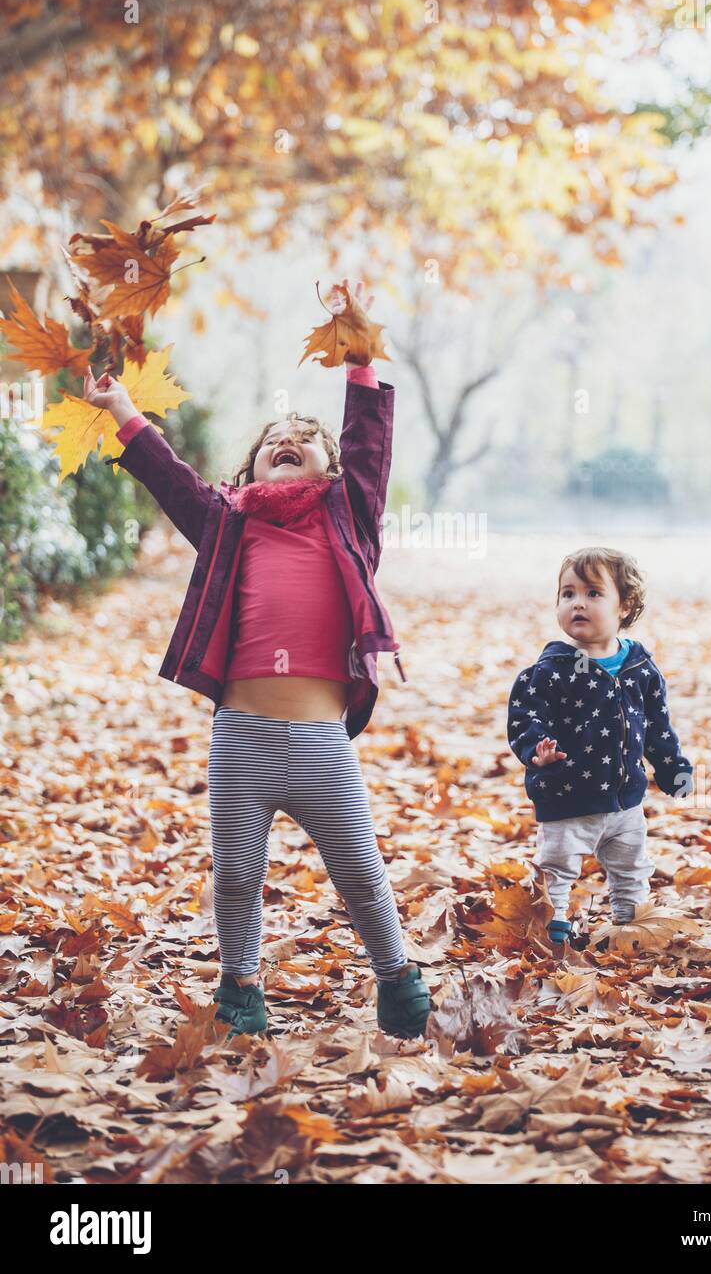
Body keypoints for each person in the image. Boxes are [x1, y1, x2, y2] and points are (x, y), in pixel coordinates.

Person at [83, 278, 430, 1040]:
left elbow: (369, 448)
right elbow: (171, 477)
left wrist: (360, 361)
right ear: (249, 470)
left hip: (318, 744)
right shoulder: (226, 521)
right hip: (240, 737)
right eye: (277, 434)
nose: (290, 438)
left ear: (329, 472)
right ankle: (241, 986)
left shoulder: (349, 516)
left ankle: (396, 974)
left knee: (361, 874)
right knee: (237, 875)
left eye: (306, 437)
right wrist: (121, 413)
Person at [506, 546, 693, 943]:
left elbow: (657, 725)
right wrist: (537, 750)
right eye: (568, 594)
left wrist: (673, 766)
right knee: (556, 868)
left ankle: (632, 925)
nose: (578, 603)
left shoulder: (640, 669)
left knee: (632, 868)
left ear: (624, 606)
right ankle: (551, 929)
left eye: (593, 594)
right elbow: (526, 717)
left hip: (625, 801)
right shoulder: (548, 671)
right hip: (567, 797)